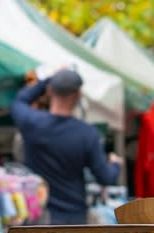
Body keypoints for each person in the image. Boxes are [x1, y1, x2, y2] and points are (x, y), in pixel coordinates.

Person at [10, 69, 123, 224]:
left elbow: (20, 100)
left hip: (39, 216)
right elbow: (105, 177)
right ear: (77, 95)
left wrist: (48, 80)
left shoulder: (33, 123)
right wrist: (116, 164)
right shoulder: (87, 134)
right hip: (74, 218)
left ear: (50, 91)